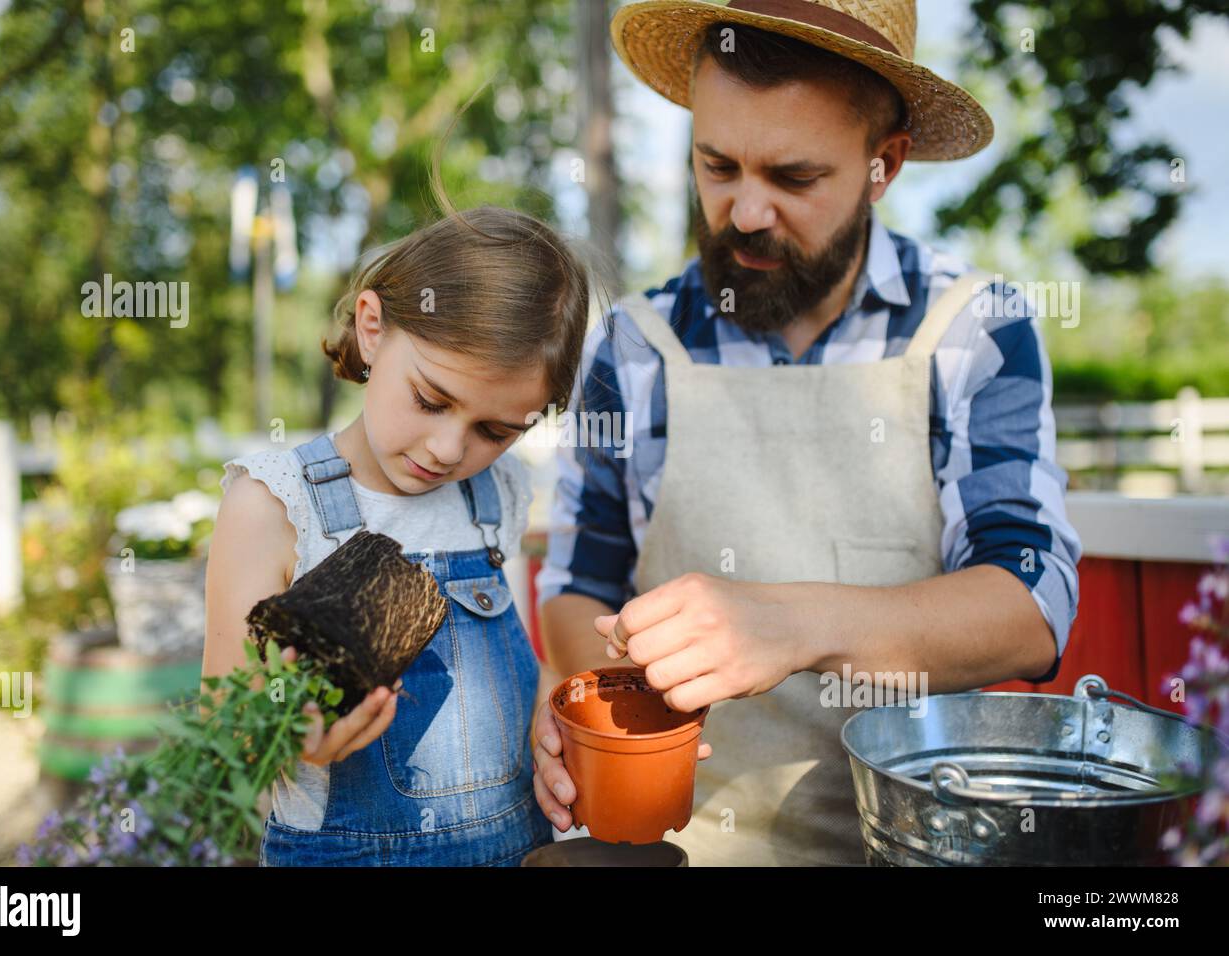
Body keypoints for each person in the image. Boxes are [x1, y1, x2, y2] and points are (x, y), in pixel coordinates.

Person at [532, 0, 1082, 866]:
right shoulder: (634, 344)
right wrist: (580, 700)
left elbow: (1029, 606)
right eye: (717, 166)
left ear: (883, 165)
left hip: (911, 844)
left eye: (793, 178)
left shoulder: (975, 330)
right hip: (679, 846)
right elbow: (578, 581)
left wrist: (788, 625)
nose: (746, 212)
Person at [203, 158, 590, 864]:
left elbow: (517, 670)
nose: (449, 449)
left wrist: (549, 716)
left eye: (495, 431)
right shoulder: (274, 505)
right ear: (373, 327)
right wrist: (292, 744)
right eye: (432, 400)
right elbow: (226, 728)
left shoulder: (495, 495)